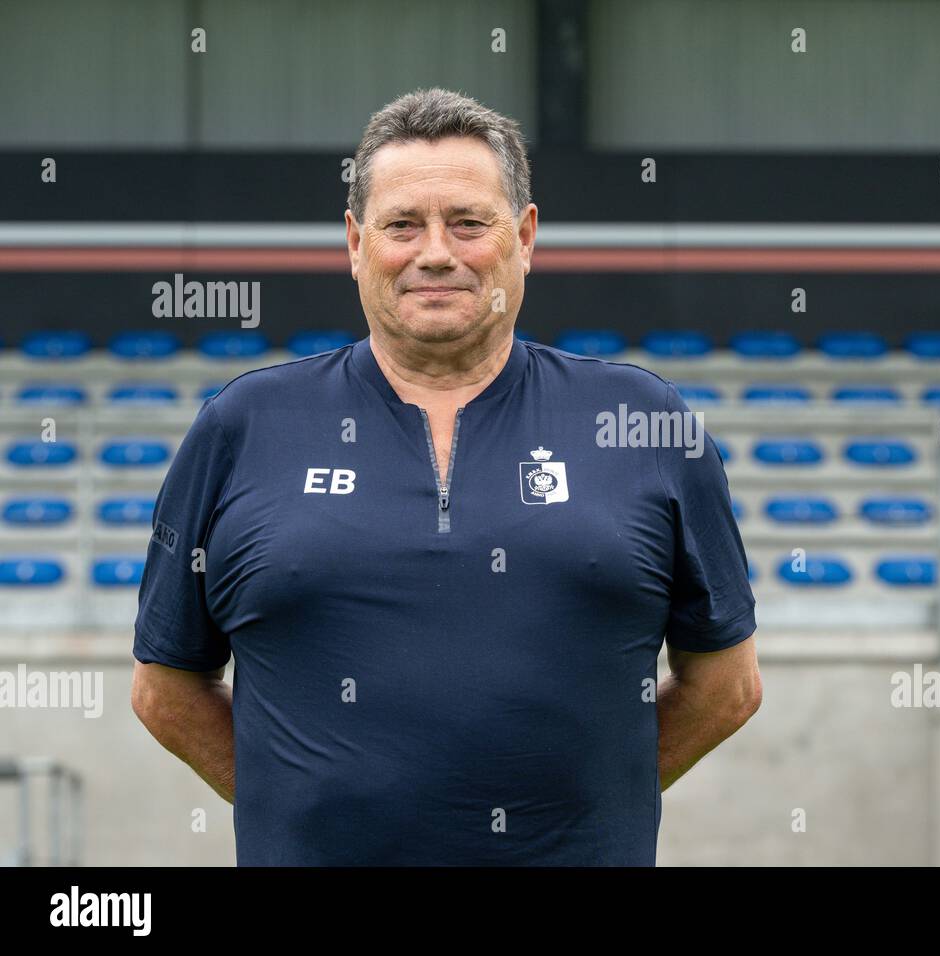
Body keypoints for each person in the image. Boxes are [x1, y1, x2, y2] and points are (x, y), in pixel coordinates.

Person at [130, 87, 761, 866]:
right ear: (356, 244)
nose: (436, 253)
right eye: (403, 225)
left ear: (524, 237)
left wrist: (581, 809)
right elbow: (165, 690)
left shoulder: (643, 421)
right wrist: (301, 812)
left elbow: (726, 686)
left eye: (468, 223)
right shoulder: (243, 425)